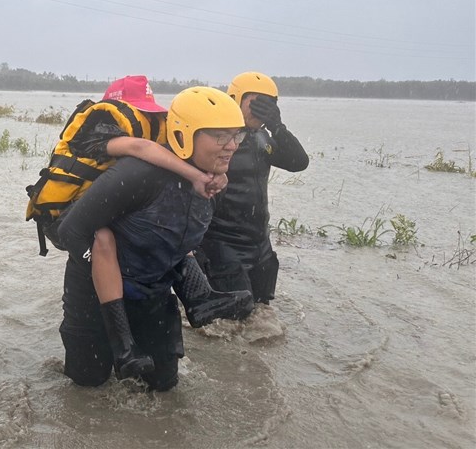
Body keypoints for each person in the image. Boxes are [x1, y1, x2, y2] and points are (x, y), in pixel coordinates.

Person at [26, 76, 229, 378]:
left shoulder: (160, 158)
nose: (145, 119)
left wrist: (212, 174)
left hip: (144, 272)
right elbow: (139, 147)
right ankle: (121, 340)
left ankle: (199, 298)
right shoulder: (102, 131)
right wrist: (194, 174)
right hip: (76, 226)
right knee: (103, 239)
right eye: (140, 112)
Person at [195, 72, 309, 310]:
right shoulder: (214, 138)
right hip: (222, 244)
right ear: (235, 99)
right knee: (233, 319)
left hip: (260, 245)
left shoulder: (262, 139)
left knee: (262, 312)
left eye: (268, 104)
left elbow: (298, 162)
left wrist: (277, 126)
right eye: (255, 103)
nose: (261, 110)